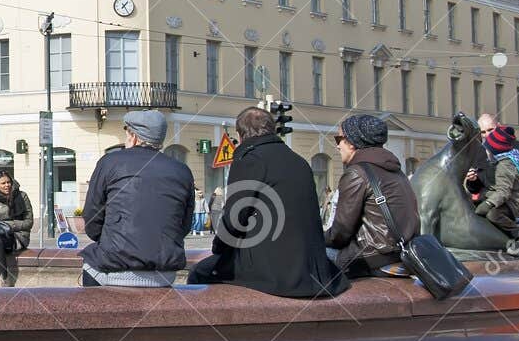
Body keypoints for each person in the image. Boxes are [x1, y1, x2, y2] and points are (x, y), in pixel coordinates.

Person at [188, 107, 348, 298]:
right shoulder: (299, 161)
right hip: (314, 270)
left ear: (240, 135)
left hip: (276, 271)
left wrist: (219, 250)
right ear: (272, 129)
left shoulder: (250, 158)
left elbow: (235, 218)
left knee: (199, 273)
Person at [79, 110, 193, 287]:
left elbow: (92, 219)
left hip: (115, 269)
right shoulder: (182, 170)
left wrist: (112, 239)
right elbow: (184, 225)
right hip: (165, 273)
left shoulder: (110, 162)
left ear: (133, 136)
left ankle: (94, 313)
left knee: (89, 264)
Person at [324, 113, 420, 279]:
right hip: (401, 252)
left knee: (308, 254)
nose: (337, 146)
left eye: (339, 139)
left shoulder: (357, 173)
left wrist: (315, 237)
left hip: (371, 256)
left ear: (352, 142)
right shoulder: (396, 170)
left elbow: (340, 235)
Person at [466, 124, 519, 235]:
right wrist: (473, 180)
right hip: (492, 198)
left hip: (509, 203)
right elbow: (481, 185)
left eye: (490, 130)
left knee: (493, 215)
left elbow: (503, 190)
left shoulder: (505, 164)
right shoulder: (490, 159)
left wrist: (488, 203)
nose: (486, 134)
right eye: (483, 132)